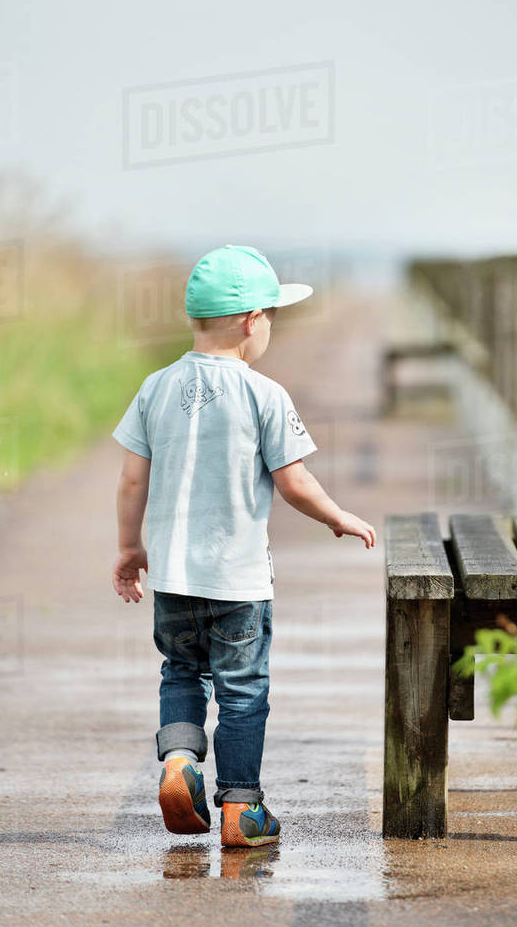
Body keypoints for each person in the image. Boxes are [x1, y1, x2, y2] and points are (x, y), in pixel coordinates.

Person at [111, 245, 376, 847]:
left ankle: (180, 764)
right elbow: (294, 482)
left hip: (172, 578)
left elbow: (131, 480)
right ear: (253, 321)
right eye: (272, 317)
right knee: (242, 692)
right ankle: (241, 808)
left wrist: (130, 548)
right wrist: (336, 516)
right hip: (239, 582)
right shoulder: (265, 394)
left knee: (182, 671)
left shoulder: (155, 387)